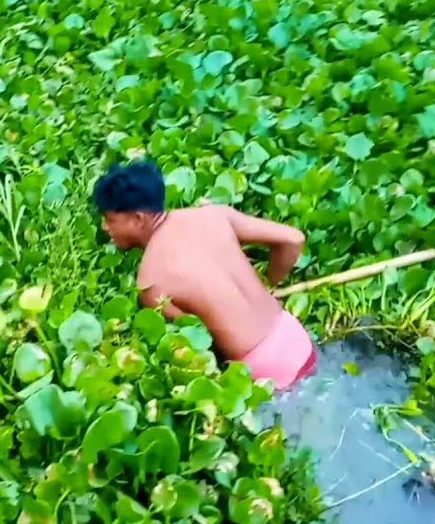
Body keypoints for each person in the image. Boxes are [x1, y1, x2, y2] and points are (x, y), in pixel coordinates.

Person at [93, 159, 318, 391]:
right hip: (295, 336)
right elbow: (294, 239)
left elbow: (201, 343)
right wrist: (271, 283)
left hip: (264, 370)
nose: (105, 227)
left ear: (138, 218)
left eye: (110, 219)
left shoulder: (151, 283)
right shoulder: (214, 215)